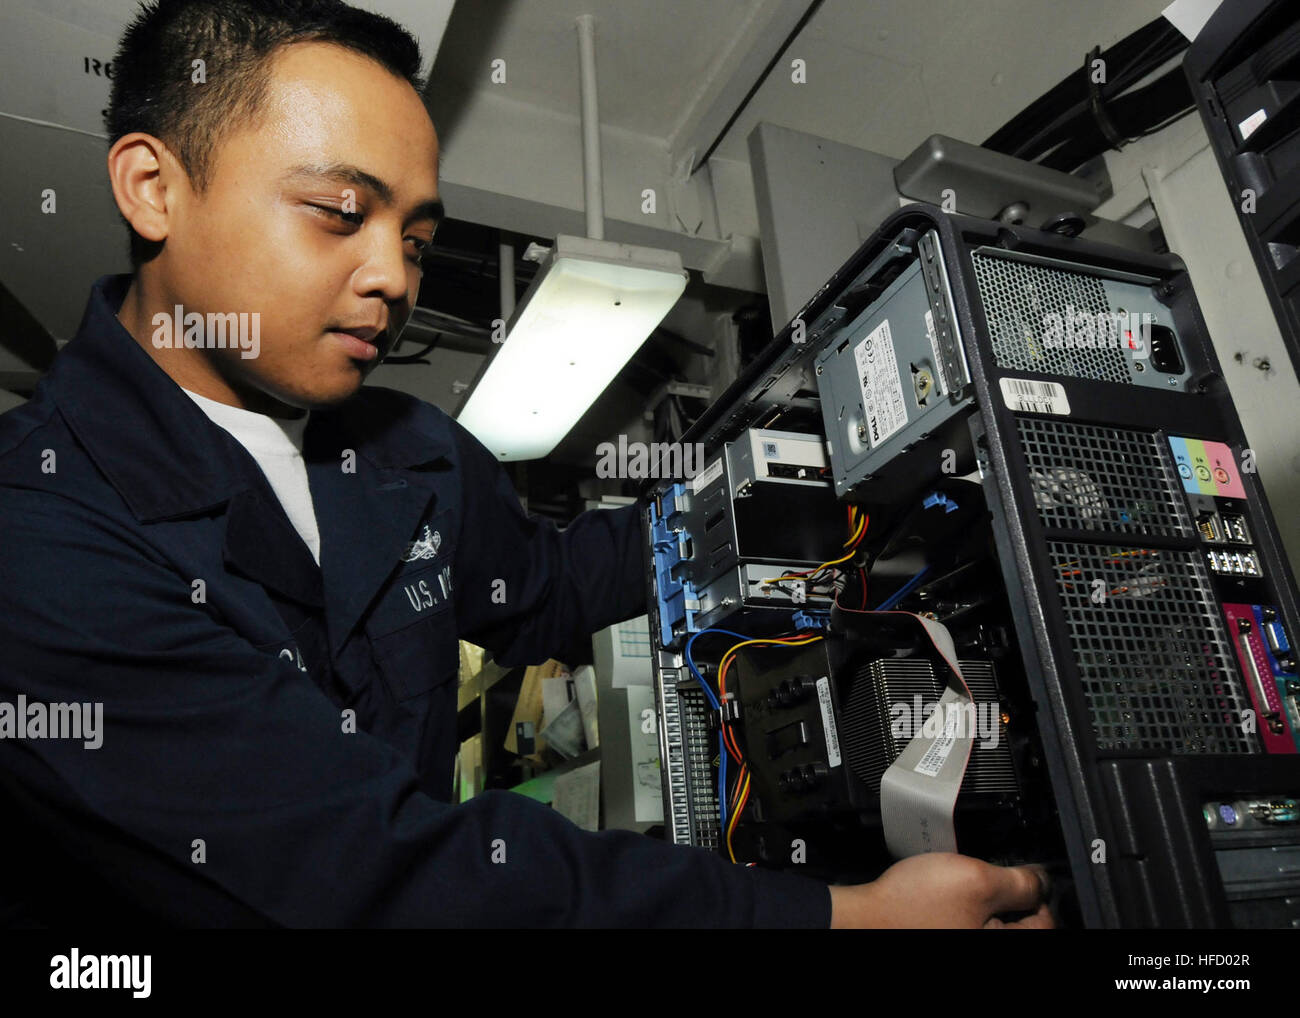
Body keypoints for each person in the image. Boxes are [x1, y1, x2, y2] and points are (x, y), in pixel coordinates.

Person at [0, 0, 1052, 929]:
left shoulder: (404, 449)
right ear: (152, 187)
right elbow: (374, 873)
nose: (391, 277)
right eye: (338, 212)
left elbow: (543, 587)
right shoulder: (38, 533)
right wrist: (841, 922)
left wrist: (774, 491)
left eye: (414, 237)